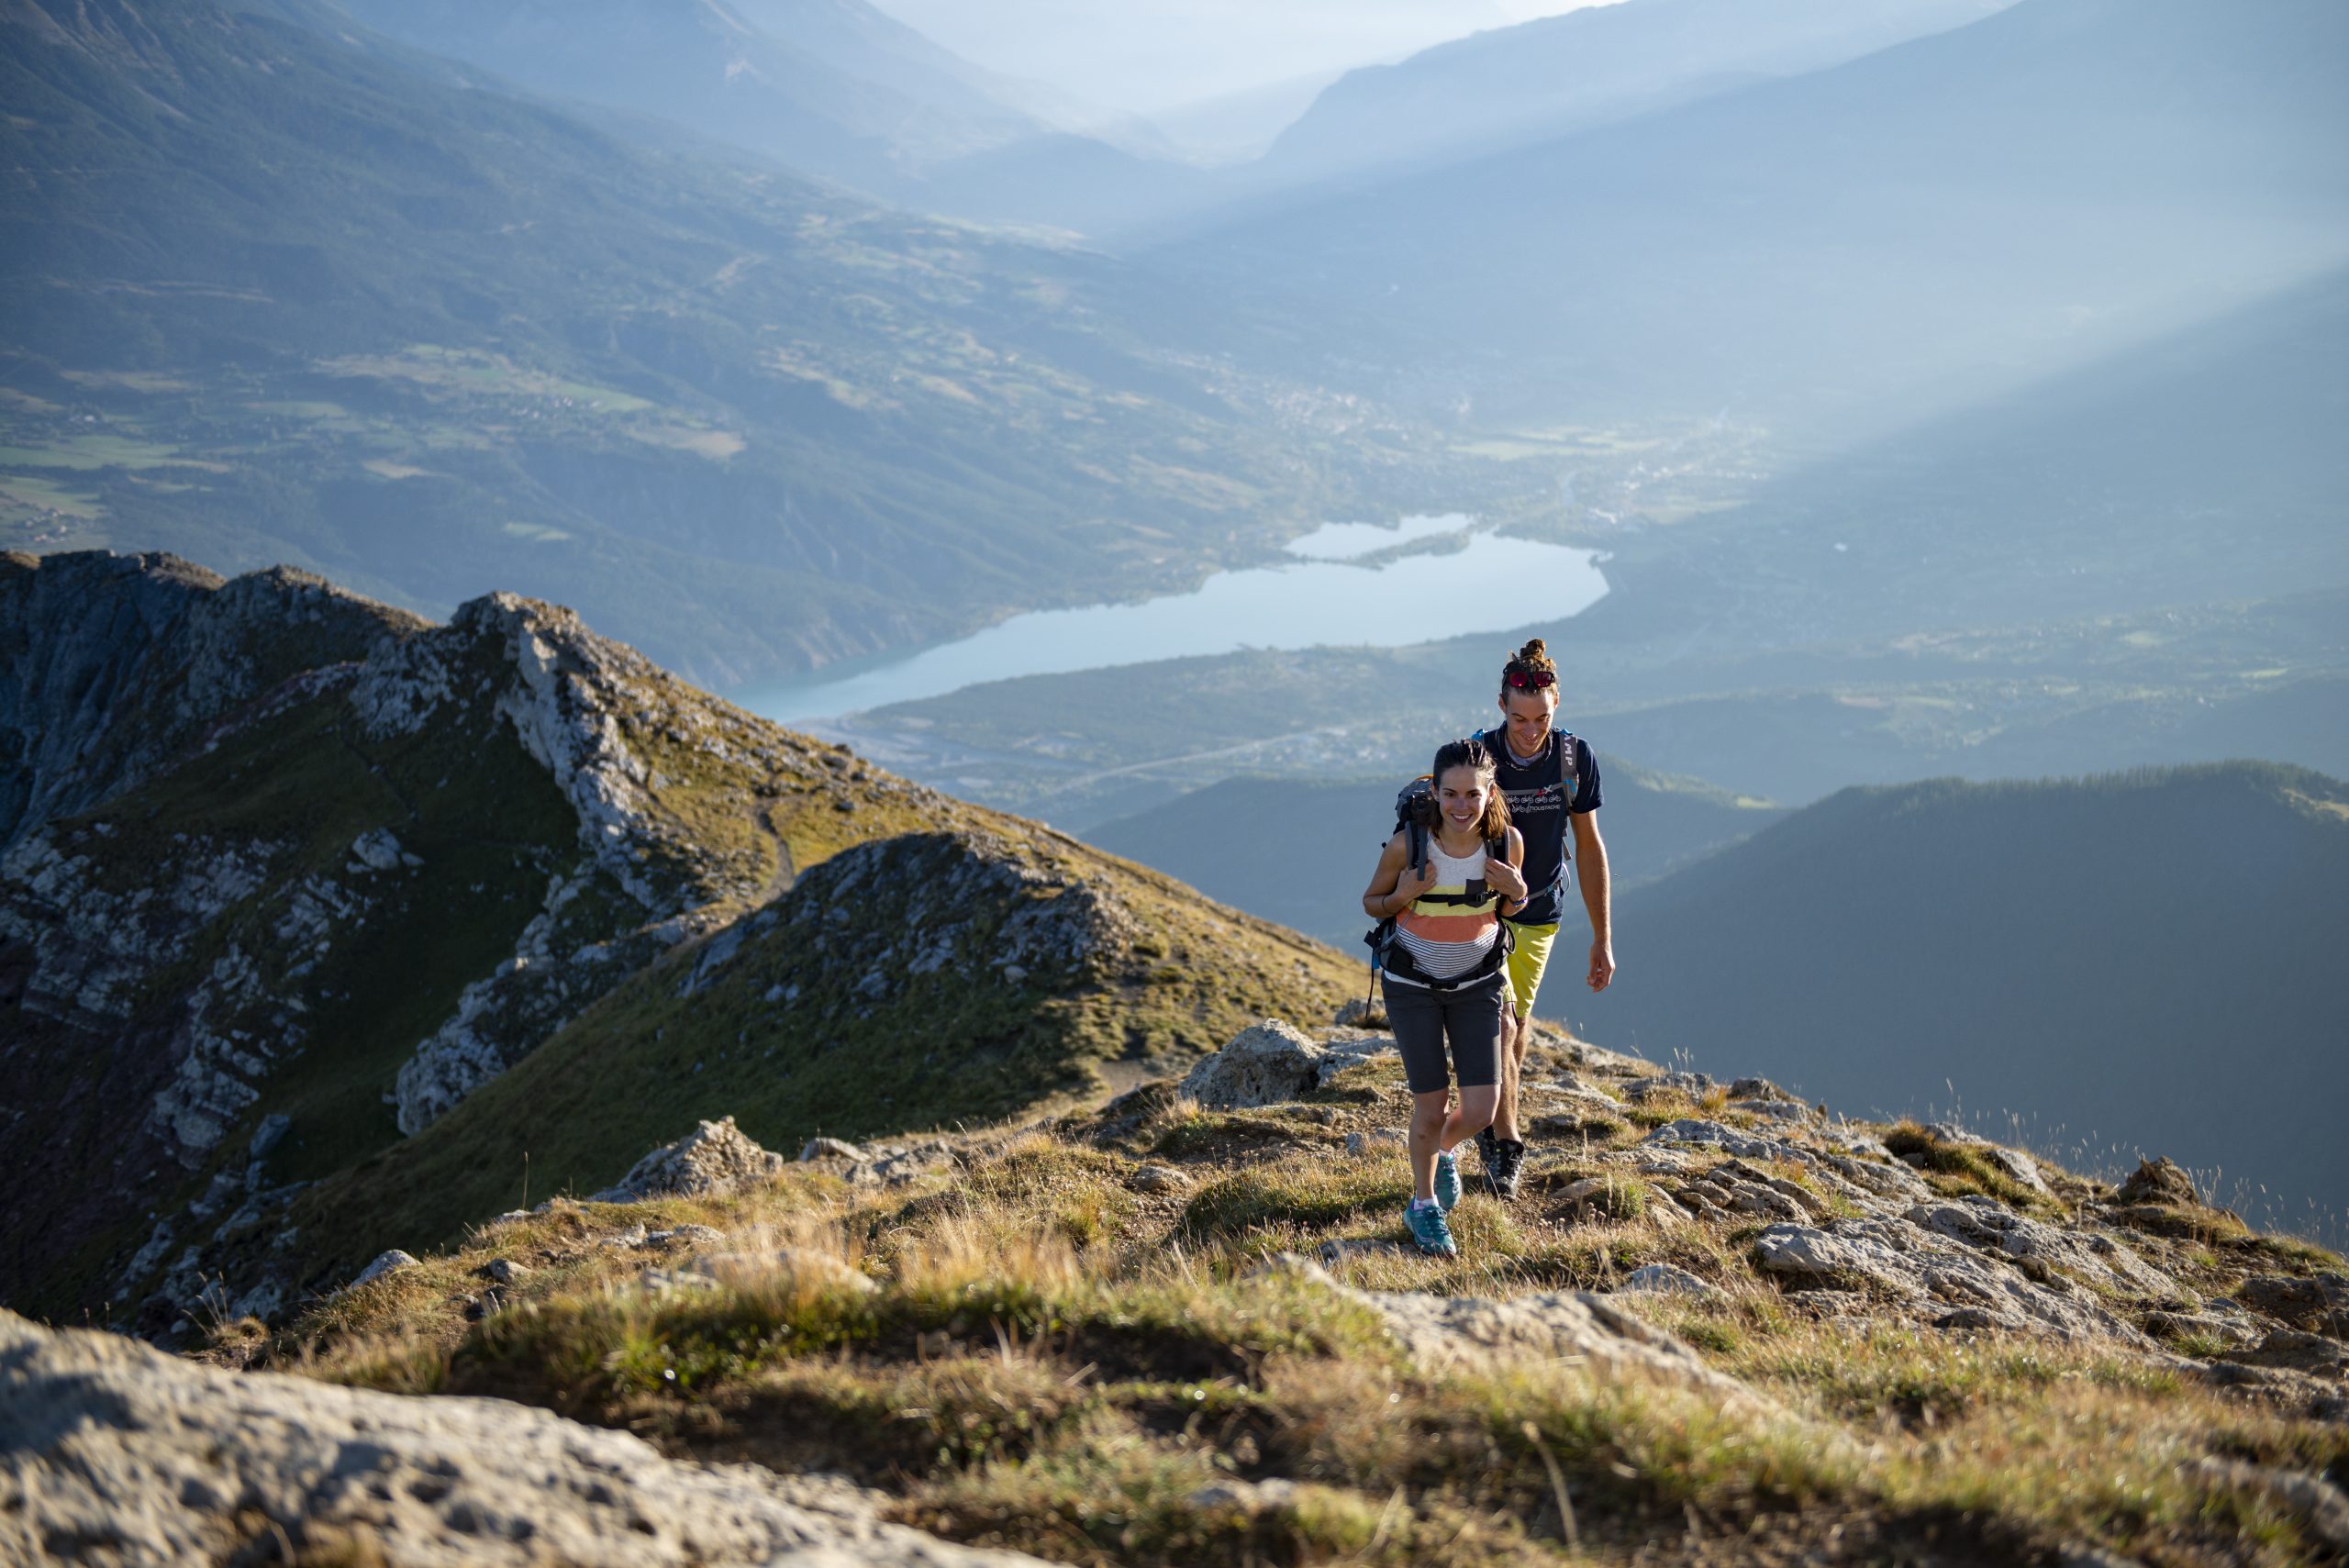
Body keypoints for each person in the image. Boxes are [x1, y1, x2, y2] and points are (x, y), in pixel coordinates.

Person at [1360, 736, 1529, 1258]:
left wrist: (1518, 890)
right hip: (1413, 987)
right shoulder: (1408, 846)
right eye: (1451, 794)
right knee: (1430, 1106)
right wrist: (1403, 895)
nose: (1461, 806)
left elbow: (1510, 910)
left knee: (1481, 1109)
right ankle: (1424, 1204)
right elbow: (1371, 903)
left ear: (1489, 791)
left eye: (1472, 795)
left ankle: (1446, 1150)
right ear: (1435, 792)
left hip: (1478, 983)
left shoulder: (1506, 844)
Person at [1473, 638, 1614, 1201]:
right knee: (1501, 1022)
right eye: (1518, 717)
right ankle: (1505, 1145)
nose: (1530, 730)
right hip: (1482, 911)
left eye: (1542, 718)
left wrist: (1602, 937)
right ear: (1500, 705)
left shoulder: (1574, 759)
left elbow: (1590, 846)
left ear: (1557, 706)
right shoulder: (1479, 757)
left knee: (1517, 1024)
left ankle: (1495, 1109)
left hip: (1540, 914)